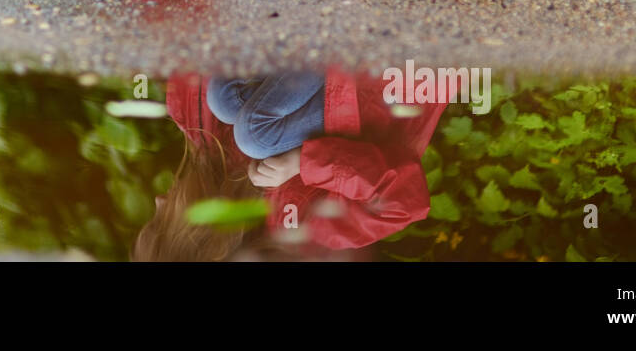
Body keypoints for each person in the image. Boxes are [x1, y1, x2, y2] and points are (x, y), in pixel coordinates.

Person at [132, 68, 447, 260]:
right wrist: (306, 163)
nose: (158, 201)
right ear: (204, 242)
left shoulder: (193, 121)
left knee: (226, 102)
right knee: (254, 137)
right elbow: (402, 203)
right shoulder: (306, 230)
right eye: (160, 222)